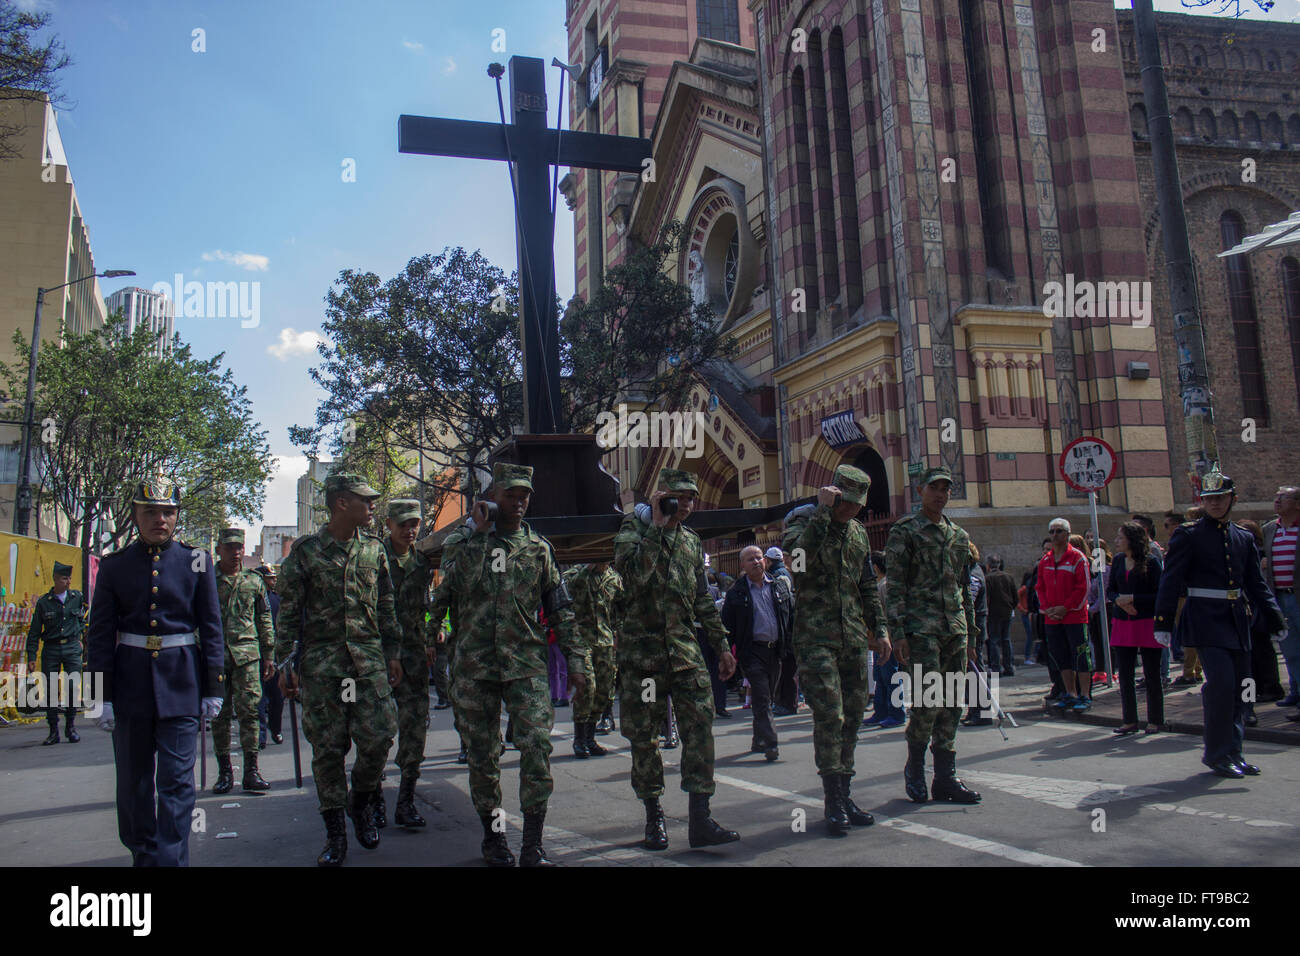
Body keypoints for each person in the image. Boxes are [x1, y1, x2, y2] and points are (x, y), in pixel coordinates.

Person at [439, 462, 589, 867]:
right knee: (482, 757)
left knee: (537, 748)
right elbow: (449, 591)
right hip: (475, 667)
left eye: (525, 495)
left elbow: (561, 611)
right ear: (493, 497)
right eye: (511, 495)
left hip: (525, 665)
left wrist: (577, 659)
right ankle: (495, 839)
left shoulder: (539, 549)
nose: (520, 502)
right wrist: (479, 533)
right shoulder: (464, 544)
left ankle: (532, 845)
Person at [87, 474, 224, 867]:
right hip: (130, 687)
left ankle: (170, 861)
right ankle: (144, 855)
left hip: (181, 683)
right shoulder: (114, 567)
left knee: (177, 783)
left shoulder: (196, 561)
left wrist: (214, 686)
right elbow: (99, 636)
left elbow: (211, 626)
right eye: (150, 511)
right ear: (135, 515)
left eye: (167, 511)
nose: (159, 519)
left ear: (177, 515)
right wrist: (100, 696)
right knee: (133, 784)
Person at [276, 473, 402, 866]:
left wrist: (393, 652)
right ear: (341, 503)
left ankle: (360, 800)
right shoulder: (306, 552)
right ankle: (335, 836)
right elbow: (289, 613)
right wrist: (285, 664)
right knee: (328, 752)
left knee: (380, 738)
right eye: (364, 500)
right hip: (323, 667)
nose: (372, 505)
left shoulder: (375, 550)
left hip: (367, 665)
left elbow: (385, 604)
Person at [614, 468, 739, 852]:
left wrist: (721, 645)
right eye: (679, 497)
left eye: (691, 498)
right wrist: (657, 527)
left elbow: (702, 598)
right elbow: (632, 576)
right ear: (661, 495)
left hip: (685, 655)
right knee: (646, 740)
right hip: (644, 661)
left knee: (700, 730)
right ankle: (654, 818)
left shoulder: (690, 542)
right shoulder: (632, 532)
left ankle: (700, 819)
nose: (686, 504)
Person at [1154, 466, 1287, 778]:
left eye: (1221, 497)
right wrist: (1162, 622)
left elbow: (1256, 584)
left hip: (1237, 619)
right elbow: (1171, 580)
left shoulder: (1242, 538)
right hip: (1204, 618)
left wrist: (1274, 617)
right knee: (1222, 685)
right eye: (1209, 498)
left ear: (1232, 499)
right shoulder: (1188, 535)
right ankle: (1216, 754)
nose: (1214, 503)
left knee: (1243, 688)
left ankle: (1234, 752)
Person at [886, 466, 980, 805]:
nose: (940, 494)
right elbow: (895, 585)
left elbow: (964, 588)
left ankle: (946, 778)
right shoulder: (906, 532)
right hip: (921, 630)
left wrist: (970, 634)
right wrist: (898, 632)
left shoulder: (958, 536)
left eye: (946, 489)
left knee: (952, 703)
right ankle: (915, 767)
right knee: (927, 702)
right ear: (920, 490)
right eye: (934, 488)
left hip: (954, 631)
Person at [211, 529, 275, 794]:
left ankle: (251, 770)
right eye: (229, 547)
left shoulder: (254, 581)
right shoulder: (207, 582)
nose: (235, 552)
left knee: (250, 713)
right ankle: (224, 771)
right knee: (220, 716)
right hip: (216, 657)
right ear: (219, 550)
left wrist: (269, 654)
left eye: (239, 546)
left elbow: (264, 619)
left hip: (247, 657)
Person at [383, 498, 432, 829]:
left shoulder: (422, 562)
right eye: (403, 524)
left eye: (414, 523)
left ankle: (406, 801)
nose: (409, 529)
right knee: (376, 733)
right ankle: (371, 798)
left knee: (414, 731)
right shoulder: (374, 559)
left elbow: (425, 606)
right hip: (380, 656)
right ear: (389, 525)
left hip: (414, 657)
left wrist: (432, 634)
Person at [721, 545, 794, 762]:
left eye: (759, 558)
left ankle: (757, 739)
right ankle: (771, 743)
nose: (756, 562)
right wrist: (727, 655)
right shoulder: (737, 593)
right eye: (750, 559)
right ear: (742, 565)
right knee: (762, 697)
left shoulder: (778, 586)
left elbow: (789, 616)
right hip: (752, 652)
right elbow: (727, 627)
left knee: (767, 697)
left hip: (776, 650)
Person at [1107, 522, 1164, 736]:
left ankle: (1155, 719)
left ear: (1131, 539)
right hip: (1123, 622)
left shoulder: (1152, 562)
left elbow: (1159, 594)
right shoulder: (1119, 561)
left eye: (1120, 537)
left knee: (1151, 674)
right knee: (1125, 675)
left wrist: (1134, 599)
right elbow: (1111, 589)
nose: (1117, 541)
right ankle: (1129, 720)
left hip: (1146, 621)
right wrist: (1120, 602)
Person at [26, 560, 88, 745]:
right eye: (64, 578)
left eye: (69, 578)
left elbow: (83, 621)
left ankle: (71, 727)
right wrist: (31, 655)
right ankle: (53, 730)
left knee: (72, 687)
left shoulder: (76, 597)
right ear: (55, 579)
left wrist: (80, 637)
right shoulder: (45, 603)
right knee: (51, 690)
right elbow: (35, 631)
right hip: (51, 648)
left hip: (71, 648)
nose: (68, 581)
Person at [564, 562, 622, 758]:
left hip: (605, 641)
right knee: (587, 687)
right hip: (581, 639)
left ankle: (590, 737)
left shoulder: (614, 578)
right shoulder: (576, 573)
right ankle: (579, 739)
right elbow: (568, 590)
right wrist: (588, 569)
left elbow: (618, 609)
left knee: (604, 690)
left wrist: (617, 635)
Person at [1036, 519, 1092, 712]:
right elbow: (1040, 587)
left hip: (1075, 617)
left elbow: (1083, 588)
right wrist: (1047, 608)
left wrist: (1065, 608)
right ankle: (1070, 693)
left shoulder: (1078, 558)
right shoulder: (1045, 561)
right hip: (1052, 617)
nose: (1055, 535)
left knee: (1080, 655)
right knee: (1061, 656)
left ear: (1067, 534)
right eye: (1052, 532)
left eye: (1059, 531)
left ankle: (1084, 694)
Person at [1261, 485, 1300, 711]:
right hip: (1279, 598)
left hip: (1297, 596)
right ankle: (1295, 692)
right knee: (1289, 650)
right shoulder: (1269, 529)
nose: (1277, 500)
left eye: (1283, 497)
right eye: (1276, 497)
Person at [864, 551, 906, 729]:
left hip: (887, 638)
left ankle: (897, 713)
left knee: (890, 676)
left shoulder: (884, 586)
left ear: (874, 567)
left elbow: (889, 614)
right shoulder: (882, 585)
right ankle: (881, 711)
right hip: (882, 639)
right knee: (880, 676)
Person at [961, 541, 992, 727]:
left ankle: (982, 710)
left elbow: (967, 604)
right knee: (970, 670)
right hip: (972, 628)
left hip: (974, 630)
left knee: (975, 669)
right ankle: (974, 709)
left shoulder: (973, 576)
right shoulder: (972, 573)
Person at [255, 564, 285, 749]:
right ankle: (260, 735)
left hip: (276, 653)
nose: (274, 581)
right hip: (256, 652)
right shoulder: (253, 598)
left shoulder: (277, 599)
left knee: (277, 697)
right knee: (258, 697)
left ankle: (276, 729)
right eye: (270, 578)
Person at [984, 554, 1017, 677]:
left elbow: (987, 598)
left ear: (988, 565)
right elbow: (1015, 596)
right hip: (1007, 612)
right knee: (1006, 639)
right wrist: (1011, 607)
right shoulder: (1009, 577)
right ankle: (1008, 666)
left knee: (994, 640)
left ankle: (996, 667)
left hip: (993, 613)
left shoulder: (988, 579)